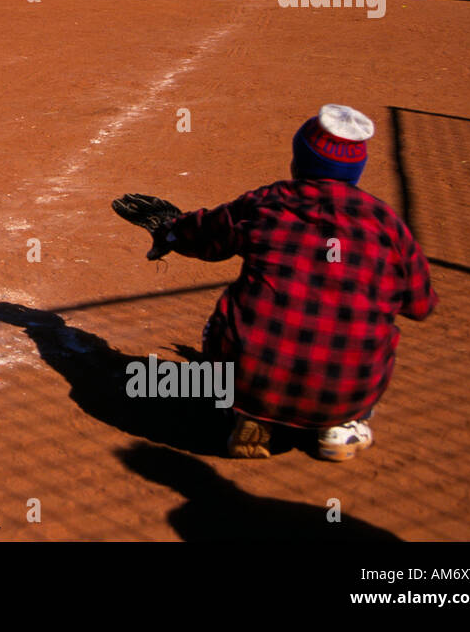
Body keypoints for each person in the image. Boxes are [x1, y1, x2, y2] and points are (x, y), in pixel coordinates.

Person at [145, 104, 437, 460]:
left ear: (298, 163)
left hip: (257, 381)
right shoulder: (385, 222)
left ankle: (247, 411)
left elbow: (209, 237)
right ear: (356, 171)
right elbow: (420, 306)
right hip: (347, 387)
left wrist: (172, 230)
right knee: (366, 333)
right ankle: (340, 425)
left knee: (225, 319)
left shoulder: (268, 202)